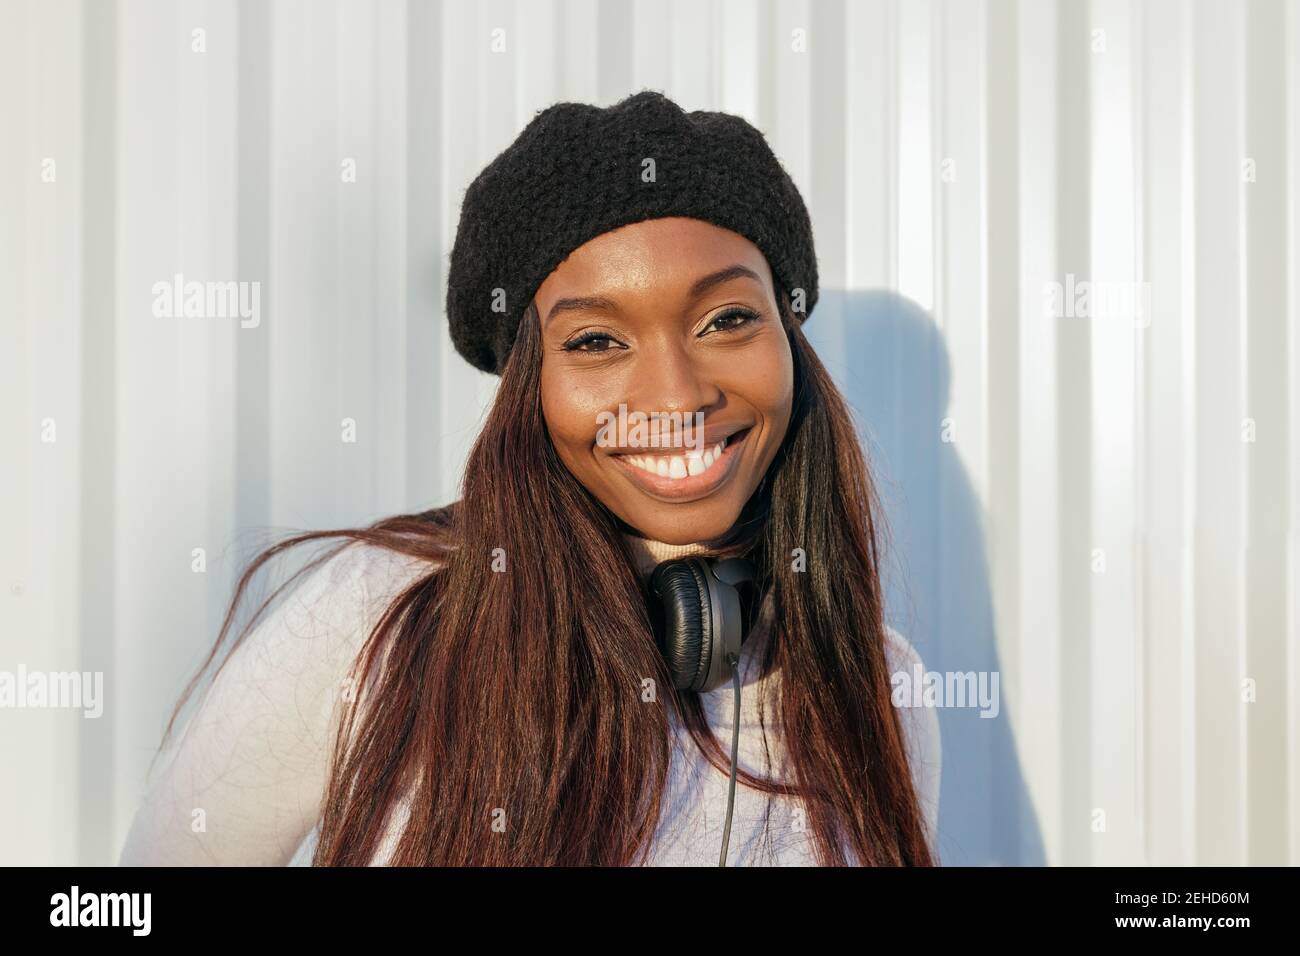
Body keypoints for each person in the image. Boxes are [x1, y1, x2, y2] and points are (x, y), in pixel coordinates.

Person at [118, 89, 940, 867]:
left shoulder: (881, 687)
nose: (678, 395)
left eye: (727, 320)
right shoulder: (376, 620)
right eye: (594, 342)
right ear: (527, 390)